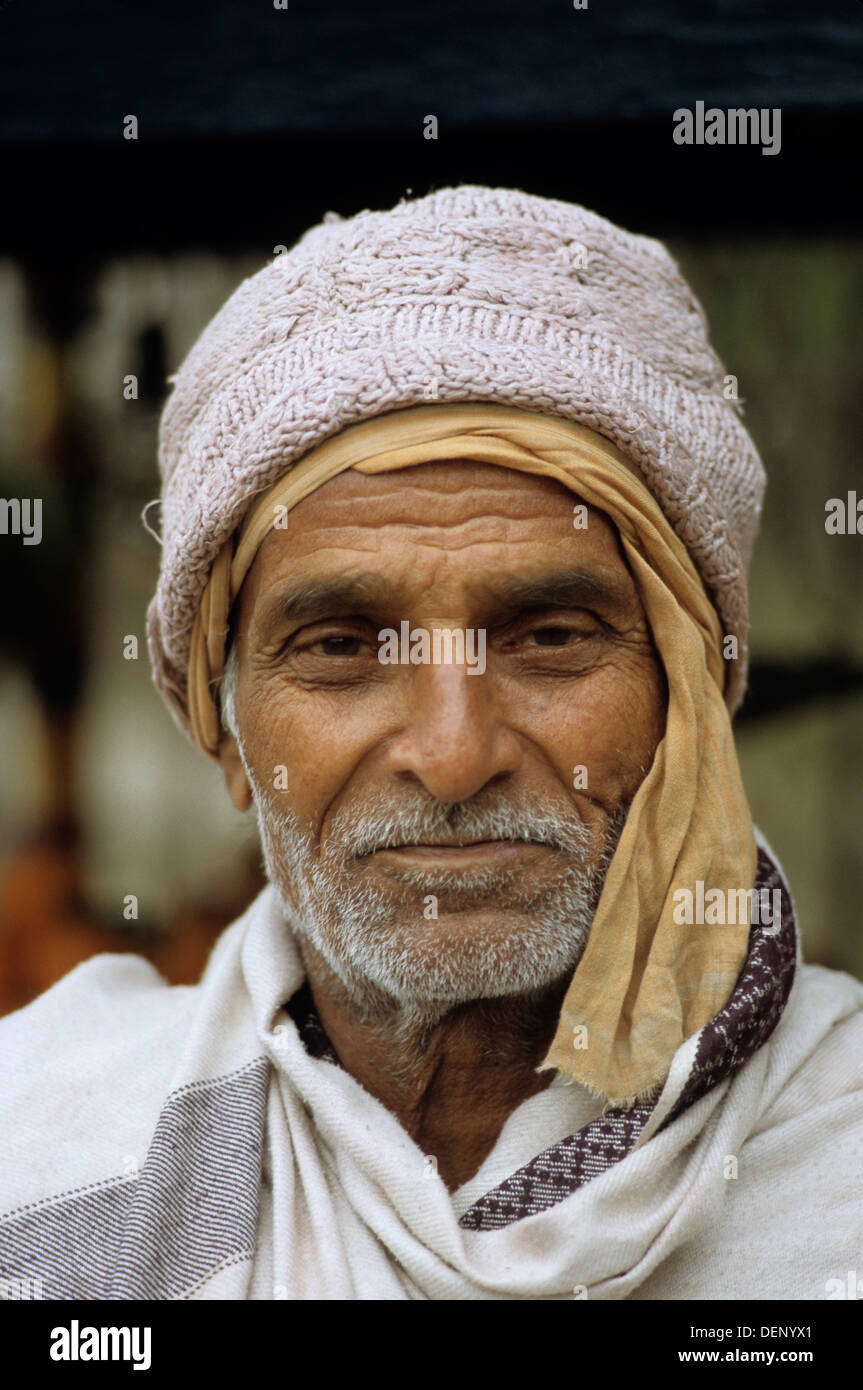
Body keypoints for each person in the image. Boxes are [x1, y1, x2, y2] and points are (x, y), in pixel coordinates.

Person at [2, 185, 861, 1301]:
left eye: (549, 636)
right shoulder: (38, 1147)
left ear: (690, 692)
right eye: (340, 645)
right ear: (221, 731)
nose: (453, 756)